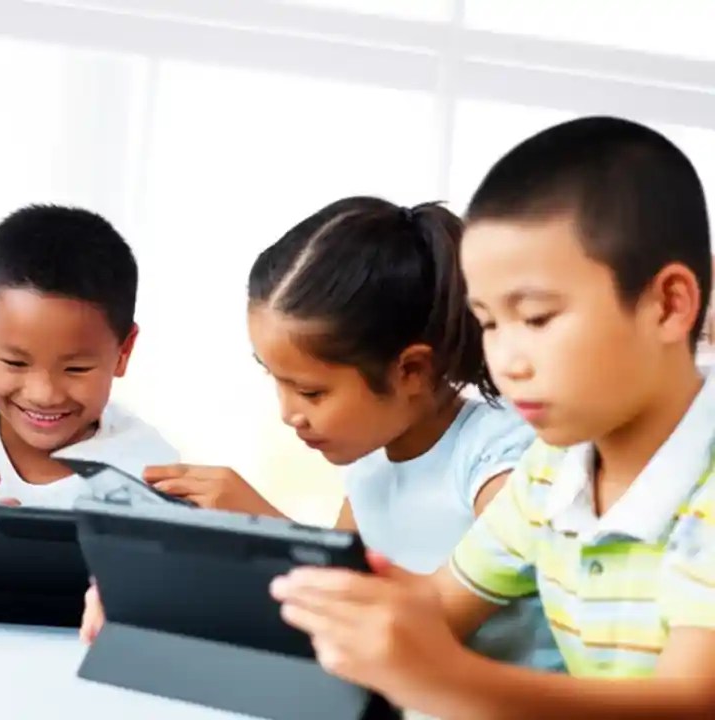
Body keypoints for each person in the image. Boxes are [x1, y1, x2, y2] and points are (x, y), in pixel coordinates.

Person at [272, 117, 715, 718]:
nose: (506, 360)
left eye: (535, 318)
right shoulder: (553, 470)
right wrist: (182, 602)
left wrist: (448, 681)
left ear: (668, 304)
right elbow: (438, 602)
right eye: (489, 323)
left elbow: (688, 704)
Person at [81, 197, 558, 669]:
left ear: (411, 370)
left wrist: (261, 524)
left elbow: (422, 621)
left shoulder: (500, 458)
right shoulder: (371, 461)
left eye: (311, 392)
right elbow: (334, 591)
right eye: (276, 380)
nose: (288, 413)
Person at [0, 204, 177, 607]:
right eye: (15, 363)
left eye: (76, 368)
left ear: (123, 351)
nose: (44, 393)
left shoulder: (147, 472)